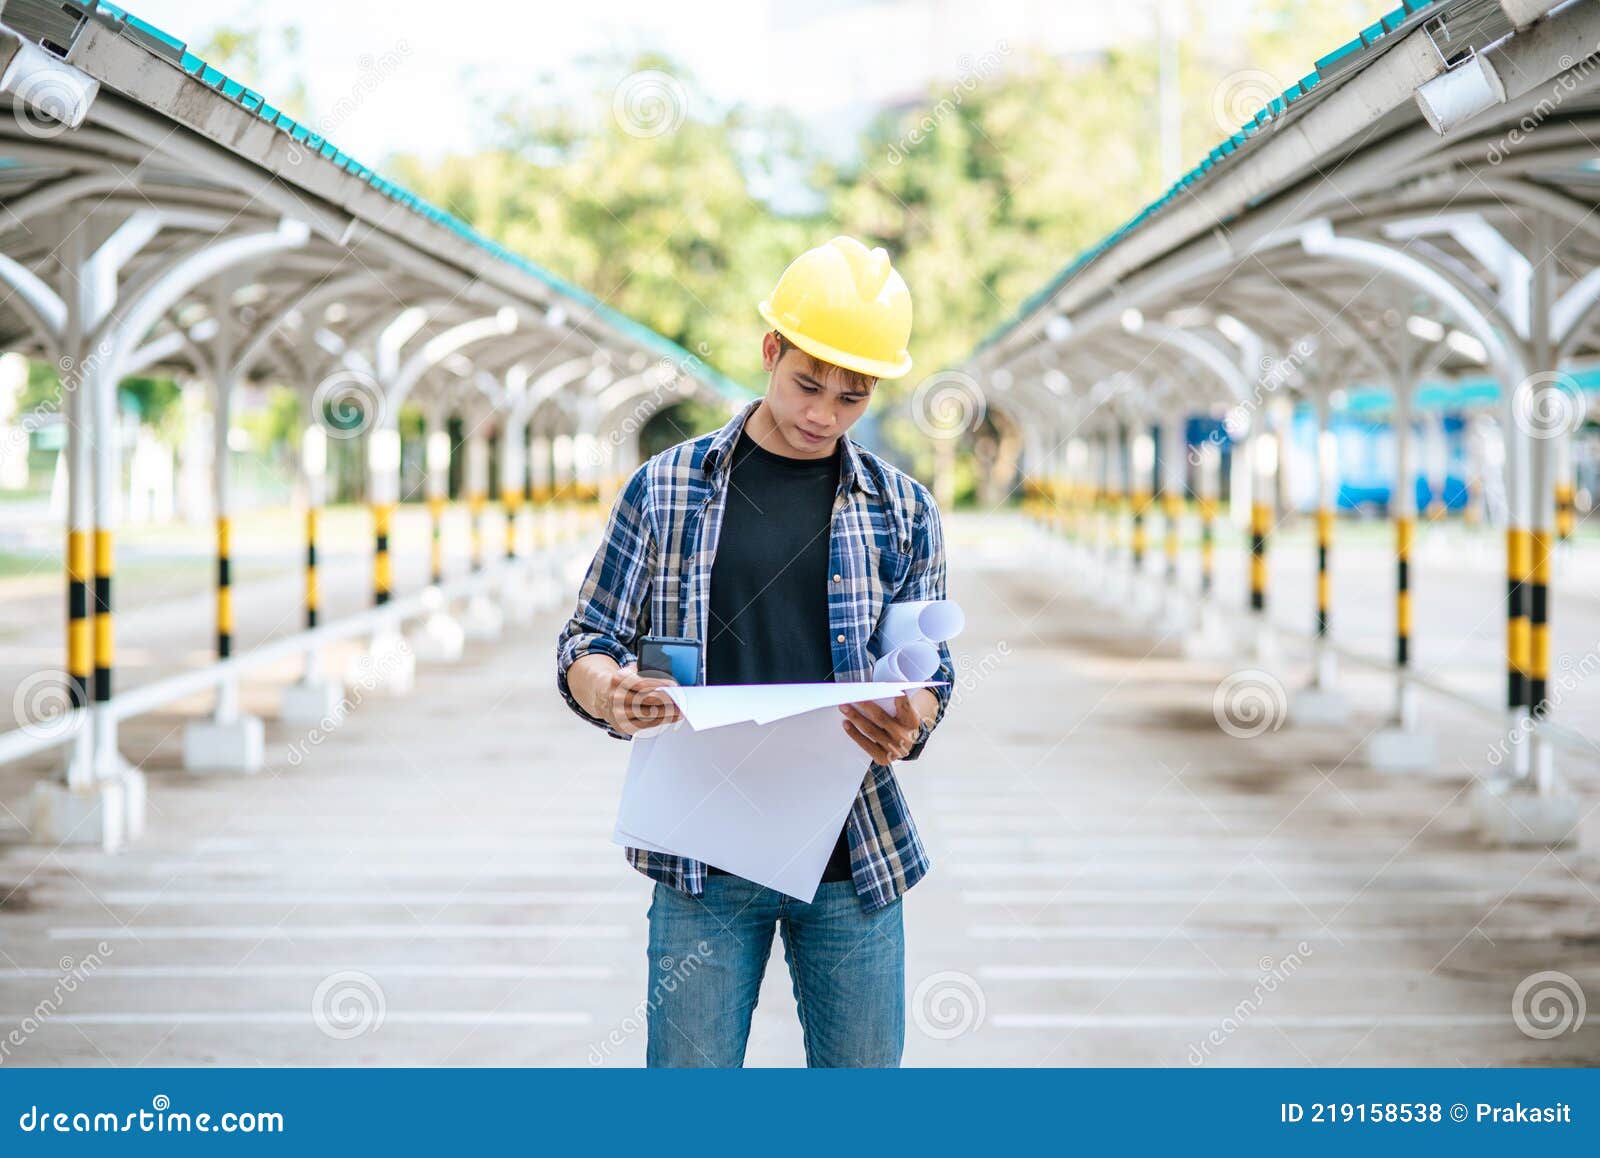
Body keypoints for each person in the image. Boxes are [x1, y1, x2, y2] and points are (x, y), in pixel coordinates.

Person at [555, 235, 954, 1067]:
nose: (823, 414)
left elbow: (930, 678)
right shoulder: (667, 486)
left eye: (852, 397)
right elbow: (586, 641)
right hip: (705, 856)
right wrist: (608, 691)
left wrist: (912, 717)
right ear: (770, 351)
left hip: (855, 857)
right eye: (808, 383)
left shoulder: (904, 510)